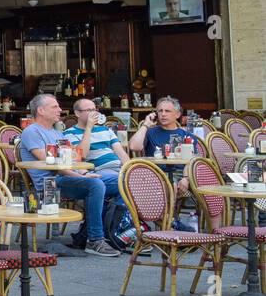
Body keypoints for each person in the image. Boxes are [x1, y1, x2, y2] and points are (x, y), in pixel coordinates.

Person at [17, 94, 121, 256]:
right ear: (41, 110)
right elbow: (53, 163)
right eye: (55, 107)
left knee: (124, 181)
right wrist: (80, 177)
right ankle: (95, 239)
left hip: (66, 177)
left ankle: (113, 231)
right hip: (49, 184)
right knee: (96, 185)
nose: (60, 110)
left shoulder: (57, 133)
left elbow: (72, 159)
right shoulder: (31, 131)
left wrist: (84, 172)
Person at [62, 98, 138, 247]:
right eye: (88, 110)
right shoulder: (69, 134)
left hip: (118, 170)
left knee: (138, 182)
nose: (93, 113)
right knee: (127, 186)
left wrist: (132, 171)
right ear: (77, 113)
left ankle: (109, 229)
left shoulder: (106, 130)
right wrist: (89, 128)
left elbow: (121, 154)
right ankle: (116, 230)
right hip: (99, 172)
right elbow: (81, 155)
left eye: (94, 109)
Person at [128, 95, 201, 226]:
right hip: (155, 175)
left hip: (181, 174)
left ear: (177, 114)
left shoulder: (187, 136)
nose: (163, 114)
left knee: (212, 192)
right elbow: (134, 146)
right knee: (169, 185)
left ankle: (215, 236)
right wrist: (145, 125)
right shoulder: (150, 132)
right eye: (160, 111)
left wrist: (186, 178)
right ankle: (171, 225)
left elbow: (192, 161)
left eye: (167, 111)